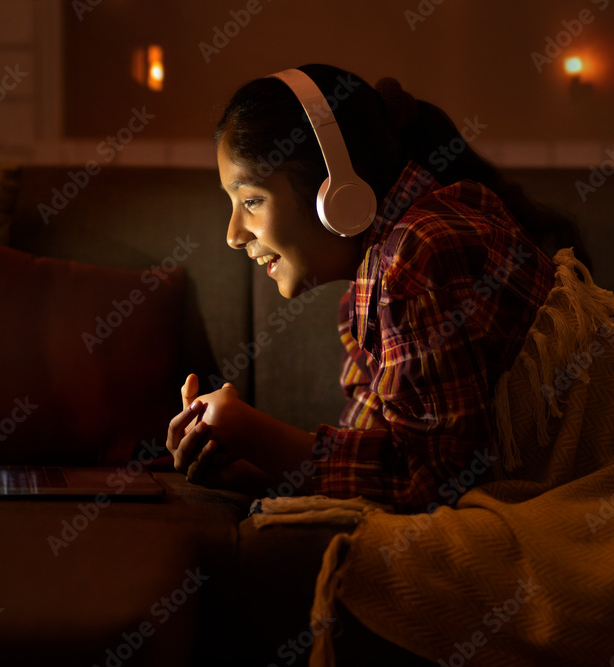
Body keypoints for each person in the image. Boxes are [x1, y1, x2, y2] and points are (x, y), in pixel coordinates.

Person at [165, 63, 586, 513]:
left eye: (251, 200)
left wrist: (256, 432)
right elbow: (380, 464)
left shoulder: (421, 252)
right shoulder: (365, 297)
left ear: (337, 193)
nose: (233, 235)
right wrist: (252, 471)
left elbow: (436, 486)